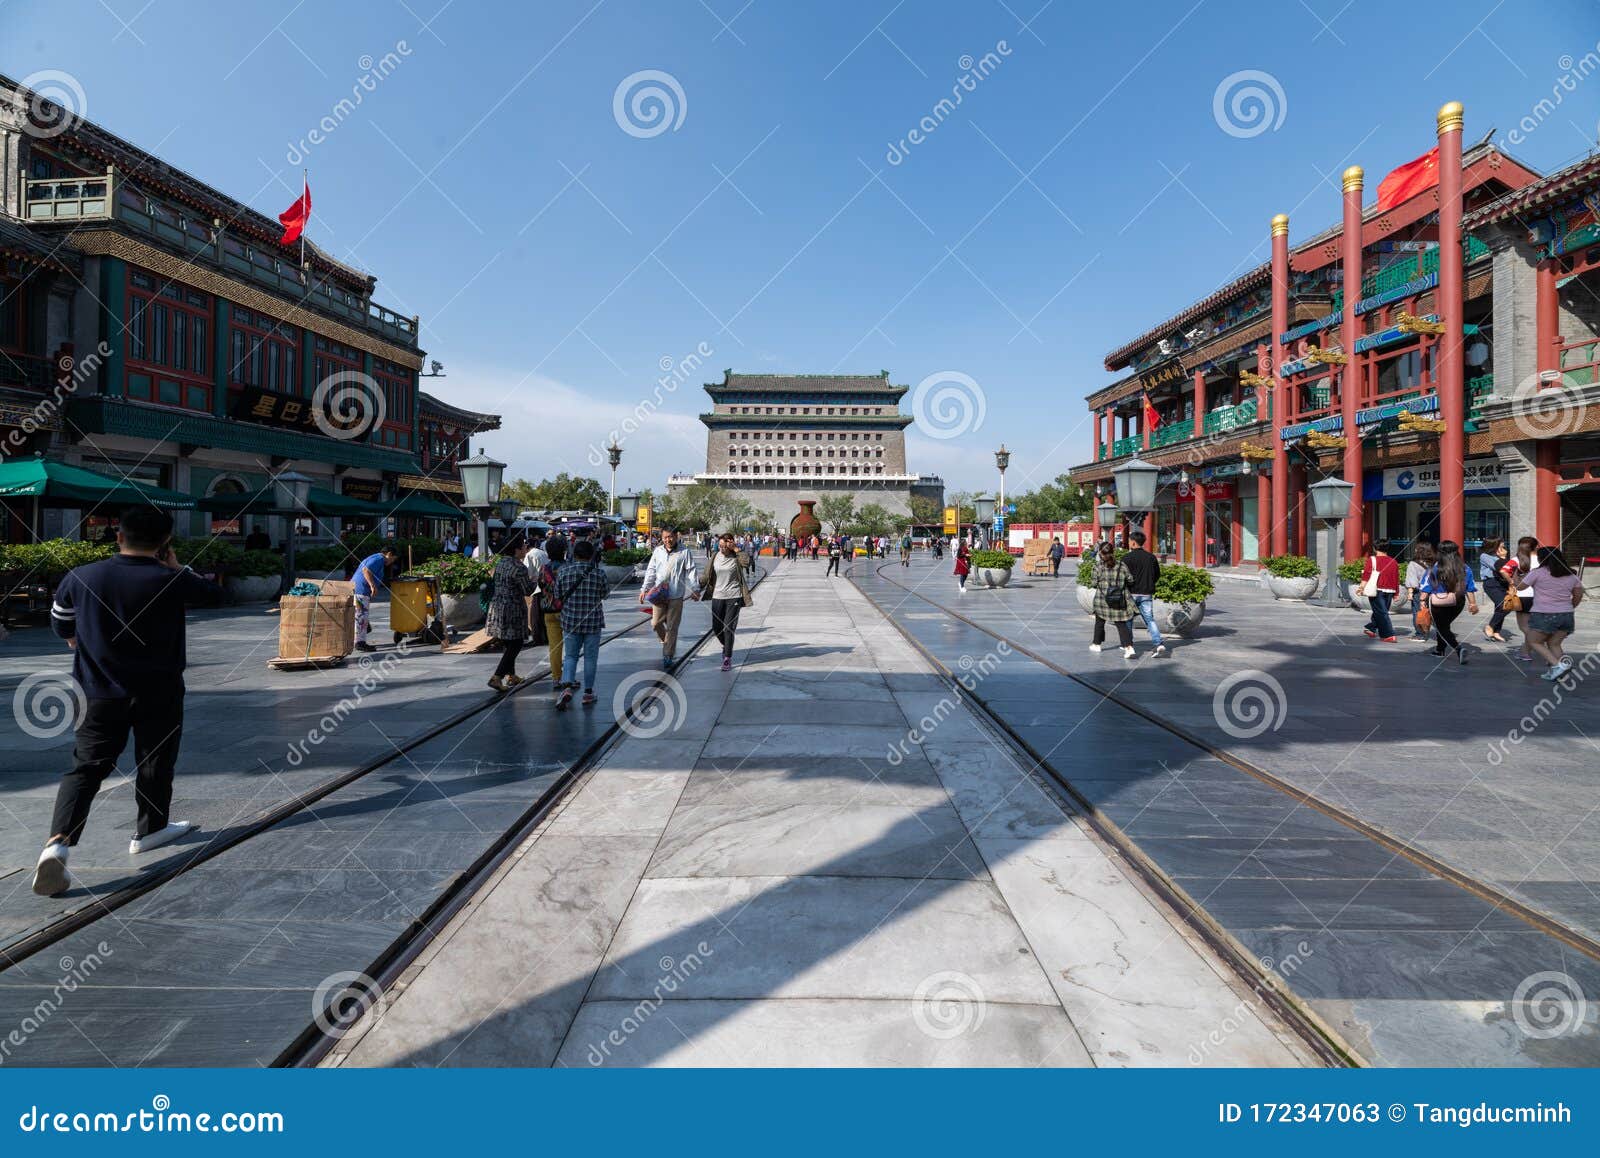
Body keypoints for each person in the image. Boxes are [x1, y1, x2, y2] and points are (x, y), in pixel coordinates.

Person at [33, 506, 223, 897]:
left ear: (118, 536)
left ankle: (57, 842)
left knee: (86, 768)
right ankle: (150, 830)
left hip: (98, 693)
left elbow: (60, 622)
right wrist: (175, 567)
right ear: (164, 543)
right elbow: (215, 595)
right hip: (160, 691)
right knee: (155, 759)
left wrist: (76, 636)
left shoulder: (82, 576)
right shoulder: (171, 579)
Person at [553, 538, 610, 709]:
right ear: (591, 555)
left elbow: (557, 595)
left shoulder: (564, 572)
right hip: (592, 622)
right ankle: (588, 693)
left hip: (570, 621)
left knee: (570, 656)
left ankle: (567, 688)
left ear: (574, 554)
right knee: (590, 658)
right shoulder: (599, 573)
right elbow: (605, 595)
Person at [696, 532, 755, 671]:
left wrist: (737, 549)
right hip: (717, 596)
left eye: (724, 546)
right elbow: (706, 574)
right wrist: (697, 588)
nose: (721, 548)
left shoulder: (736, 557)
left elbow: (747, 563)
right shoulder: (715, 556)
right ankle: (726, 645)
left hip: (734, 596)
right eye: (720, 545)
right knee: (717, 628)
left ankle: (727, 657)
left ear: (730, 544)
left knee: (728, 628)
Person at [1523, 546, 1584, 680]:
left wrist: (1516, 576)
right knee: (1554, 643)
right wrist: (1570, 606)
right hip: (1566, 614)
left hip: (1544, 614)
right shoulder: (1571, 574)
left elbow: (1520, 587)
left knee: (1533, 641)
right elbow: (1578, 595)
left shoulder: (1537, 572)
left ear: (1541, 559)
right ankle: (1557, 672)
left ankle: (1558, 666)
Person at [640, 527, 697, 669]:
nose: (668, 540)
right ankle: (667, 643)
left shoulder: (684, 552)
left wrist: (695, 588)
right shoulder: (658, 551)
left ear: (676, 536)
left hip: (676, 594)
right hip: (659, 594)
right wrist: (644, 589)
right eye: (665, 537)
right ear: (662, 538)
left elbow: (691, 571)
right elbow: (651, 571)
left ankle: (668, 654)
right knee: (655, 623)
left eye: (670, 537)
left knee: (672, 627)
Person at [486, 537, 537, 692]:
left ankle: (511, 675)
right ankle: (497, 676)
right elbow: (527, 590)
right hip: (513, 607)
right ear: (516, 550)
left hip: (498, 605)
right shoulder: (519, 567)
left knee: (508, 641)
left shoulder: (501, 562)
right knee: (516, 642)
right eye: (523, 547)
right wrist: (536, 581)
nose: (525, 549)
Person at [1420, 539, 1479, 664]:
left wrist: (1421, 601)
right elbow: (1470, 588)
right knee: (1444, 626)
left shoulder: (1434, 568)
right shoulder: (1465, 568)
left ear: (1440, 552)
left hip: (1437, 602)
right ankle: (1440, 650)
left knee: (1442, 627)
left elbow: (1426, 587)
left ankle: (1459, 649)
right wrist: (1473, 604)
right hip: (1458, 602)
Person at [1088, 541, 1137, 658]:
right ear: (1112, 552)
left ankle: (1096, 644)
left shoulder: (1098, 566)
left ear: (1100, 552)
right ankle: (1129, 648)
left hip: (1102, 600)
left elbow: (1094, 583)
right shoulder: (1121, 565)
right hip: (1119, 599)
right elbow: (1130, 579)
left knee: (1099, 622)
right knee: (1121, 624)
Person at [1122, 531, 1165, 656]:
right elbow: (1157, 574)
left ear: (1133, 542)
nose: (1129, 543)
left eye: (1129, 541)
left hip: (1131, 593)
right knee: (1150, 619)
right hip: (1147, 593)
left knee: (1128, 620)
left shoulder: (1126, 558)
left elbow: (1122, 576)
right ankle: (1158, 643)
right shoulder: (1151, 557)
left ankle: (1129, 646)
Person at [352, 543, 399, 652]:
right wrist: (372, 585)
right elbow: (366, 570)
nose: (392, 562)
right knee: (361, 617)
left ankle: (361, 634)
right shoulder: (379, 559)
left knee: (361, 616)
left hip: (357, 589)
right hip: (361, 590)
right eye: (393, 559)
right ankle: (360, 643)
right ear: (389, 554)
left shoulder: (375, 557)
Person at [1357, 540, 1400, 643]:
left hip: (1377, 590)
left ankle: (1380, 631)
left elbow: (1366, 574)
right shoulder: (1393, 561)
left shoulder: (1372, 560)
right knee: (1381, 611)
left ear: (1375, 548)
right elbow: (1396, 578)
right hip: (1389, 590)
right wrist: (1396, 593)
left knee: (1381, 612)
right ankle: (1379, 631)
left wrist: (1361, 587)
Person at [539, 535, 568, 688]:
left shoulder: (544, 569)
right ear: (564, 550)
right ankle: (569, 677)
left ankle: (556, 677)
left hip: (549, 611)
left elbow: (540, 586)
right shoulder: (568, 567)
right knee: (571, 646)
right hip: (567, 610)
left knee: (554, 646)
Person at [1510, 535, 1540, 663]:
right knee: (1531, 626)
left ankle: (1537, 645)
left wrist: (1511, 582)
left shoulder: (1517, 559)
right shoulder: (1543, 559)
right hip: (1539, 596)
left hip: (1522, 596)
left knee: (1524, 627)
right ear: (1536, 547)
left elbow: (1503, 571)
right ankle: (1525, 652)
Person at [1478, 538, 1512, 643]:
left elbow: (1509, 569)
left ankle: (1496, 631)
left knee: (1505, 606)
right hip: (1491, 583)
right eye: (1501, 546)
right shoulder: (1484, 556)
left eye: (1503, 546)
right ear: (1494, 546)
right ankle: (1490, 626)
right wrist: (1503, 558)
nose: (1502, 548)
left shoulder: (1500, 556)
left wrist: (1504, 557)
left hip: (1502, 583)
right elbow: (1499, 567)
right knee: (1503, 605)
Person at [1403, 542, 1435, 641]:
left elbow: (1412, 581)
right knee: (1433, 613)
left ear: (1419, 551)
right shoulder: (1434, 563)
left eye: (1416, 549)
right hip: (1433, 592)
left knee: (1418, 612)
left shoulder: (1413, 564)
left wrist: (1410, 593)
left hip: (1420, 592)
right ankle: (1442, 633)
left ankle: (1420, 634)